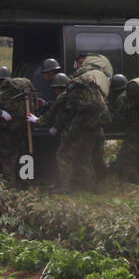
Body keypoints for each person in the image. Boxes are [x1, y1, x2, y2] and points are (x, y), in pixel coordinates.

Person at [48, 55, 113, 192]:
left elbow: (65, 111)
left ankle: (65, 187)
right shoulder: (91, 83)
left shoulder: (73, 87)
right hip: (99, 120)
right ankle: (91, 187)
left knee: (63, 153)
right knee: (84, 155)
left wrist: (52, 125)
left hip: (85, 121)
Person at [0, 66, 40, 186]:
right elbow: (35, 102)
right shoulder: (26, 86)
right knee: (26, 154)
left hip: (8, 130)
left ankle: (10, 182)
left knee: (8, 156)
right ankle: (26, 181)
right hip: (25, 128)